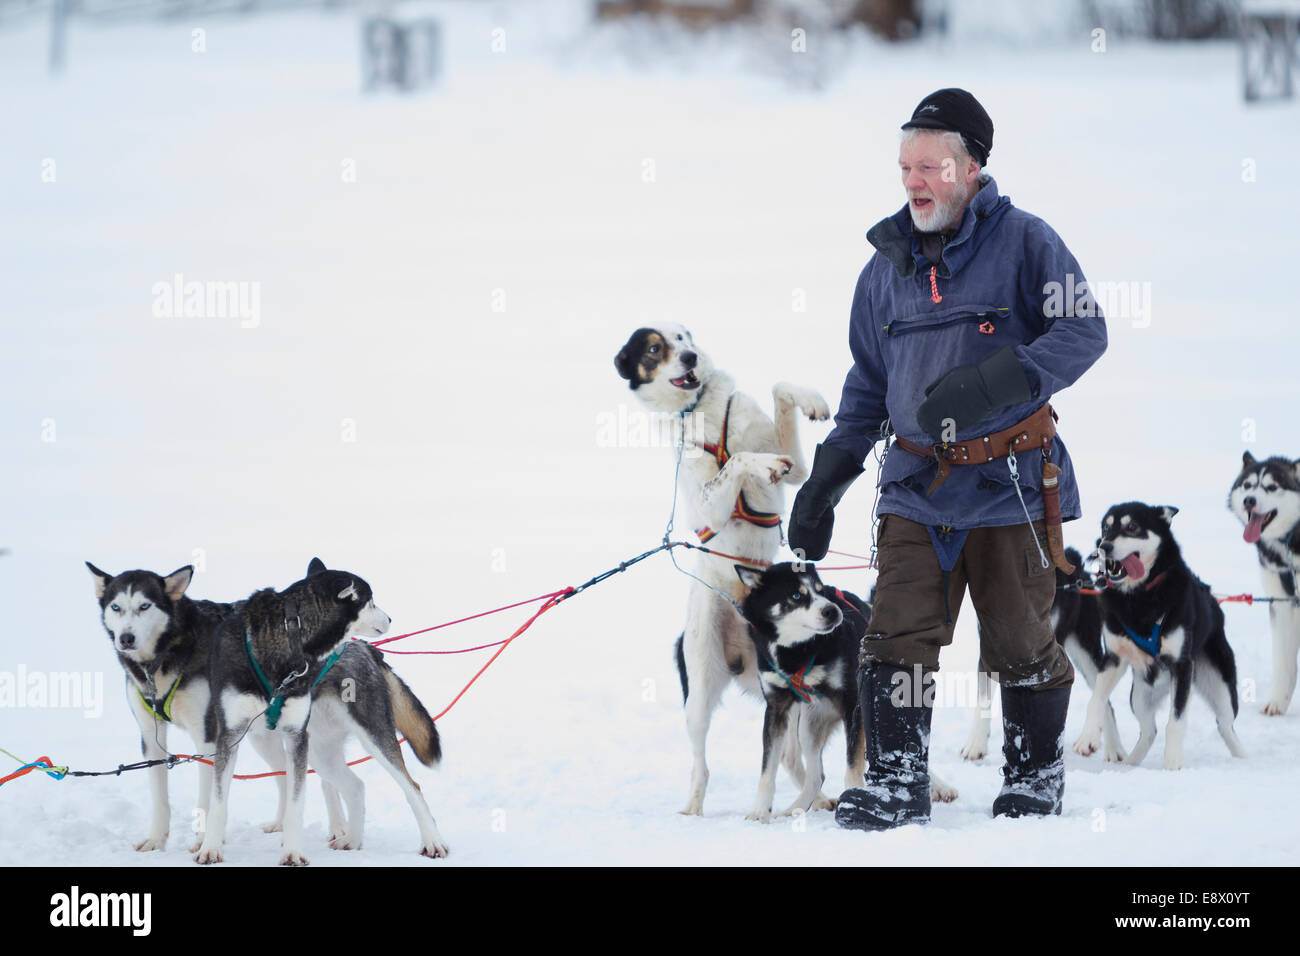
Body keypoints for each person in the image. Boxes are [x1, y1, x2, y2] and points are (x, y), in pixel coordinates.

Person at [788, 88, 1108, 829]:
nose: (914, 182)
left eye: (930, 166)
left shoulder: (1027, 242)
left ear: (970, 167)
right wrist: (828, 476)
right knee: (894, 634)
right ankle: (897, 779)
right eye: (905, 167)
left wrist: (996, 381)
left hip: (1010, 486)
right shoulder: (884, 271)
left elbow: (1083, 328)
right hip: (914, 488)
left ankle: (1035, 776)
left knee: (1020, 639)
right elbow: (869, 382)